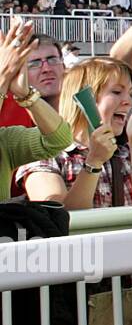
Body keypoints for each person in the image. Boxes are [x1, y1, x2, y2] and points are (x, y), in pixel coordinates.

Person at [17, 58, 132, 211]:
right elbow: (61, 219)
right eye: (117, 92)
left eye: (130, 94)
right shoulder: (44, 154)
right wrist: (94, 162)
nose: (128, 102)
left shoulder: (125, 153)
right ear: (84, 99)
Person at [0, 20, 73, 195]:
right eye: (34, 63)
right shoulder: (7, 106)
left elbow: (60, 140)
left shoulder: (5, 141)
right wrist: (3, 79)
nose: (46, 68)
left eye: (52, 59)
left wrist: (27, 96)